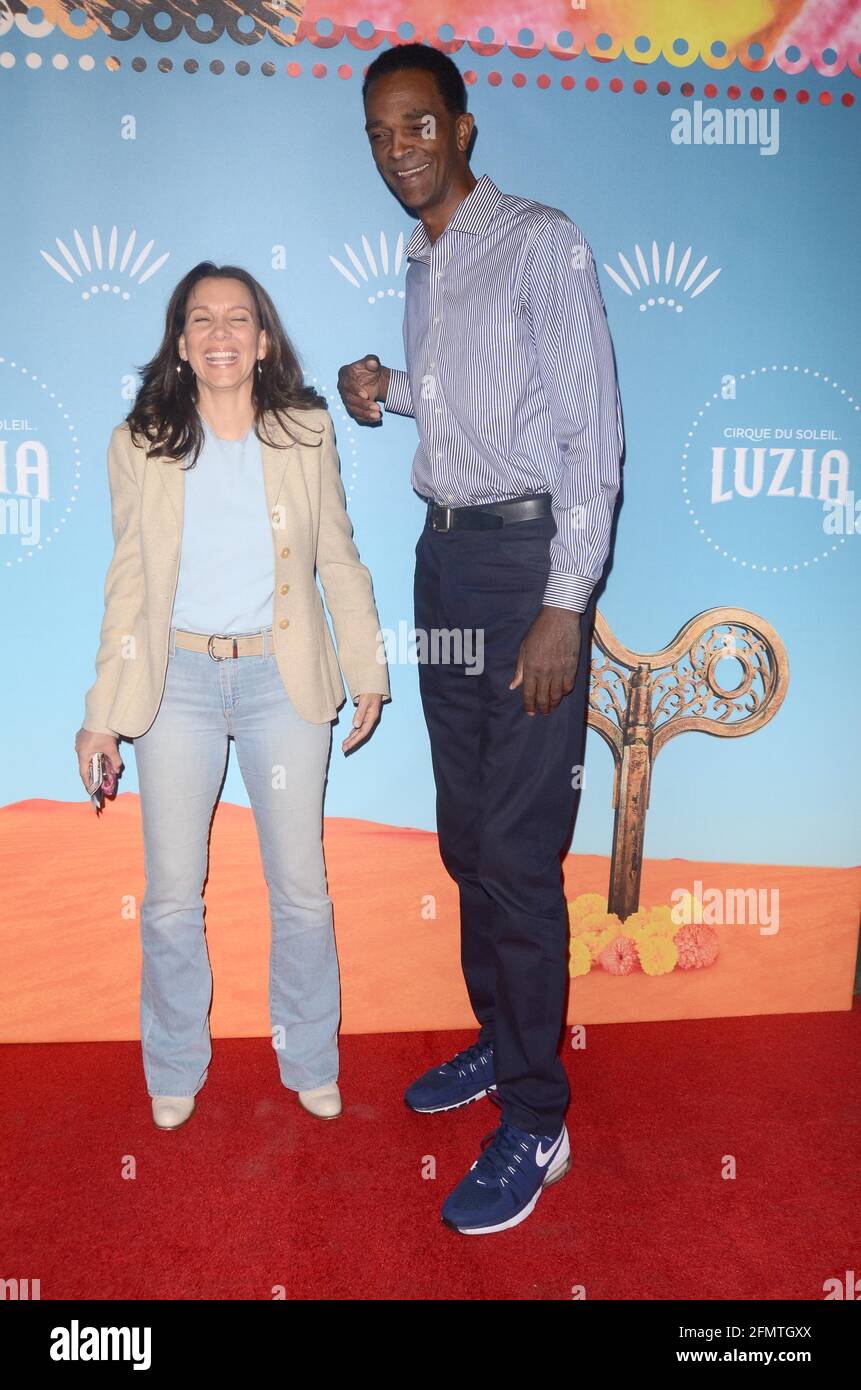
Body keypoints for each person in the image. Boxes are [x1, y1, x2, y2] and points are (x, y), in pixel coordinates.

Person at [338, 43, 623, 1235]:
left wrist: (566, 601)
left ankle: (538, 1118)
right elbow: (479, 399)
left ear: (464, 126)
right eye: (379, 133)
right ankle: (505, 1044)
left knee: (515, 853)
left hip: (524, 577)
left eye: (417, 125)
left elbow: (587, 434)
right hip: (443, 564)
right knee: (469, 840)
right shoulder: (426, 260)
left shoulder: (540, 240)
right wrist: (388, 388)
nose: (399, 148)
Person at [75, 263, 389, 1131]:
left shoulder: (304, 431)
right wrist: (102, 711)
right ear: (181, 343)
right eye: (202, 320)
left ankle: (311, 1059)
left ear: (262, 340)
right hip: (172, 684)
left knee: (301, 890)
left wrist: (366, 669)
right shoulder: (138, 443)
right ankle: (174, 1068)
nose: (221, 334)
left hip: (279, 683)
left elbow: (338, 557)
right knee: (173, 893)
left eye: (238, 319)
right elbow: (128, 587)